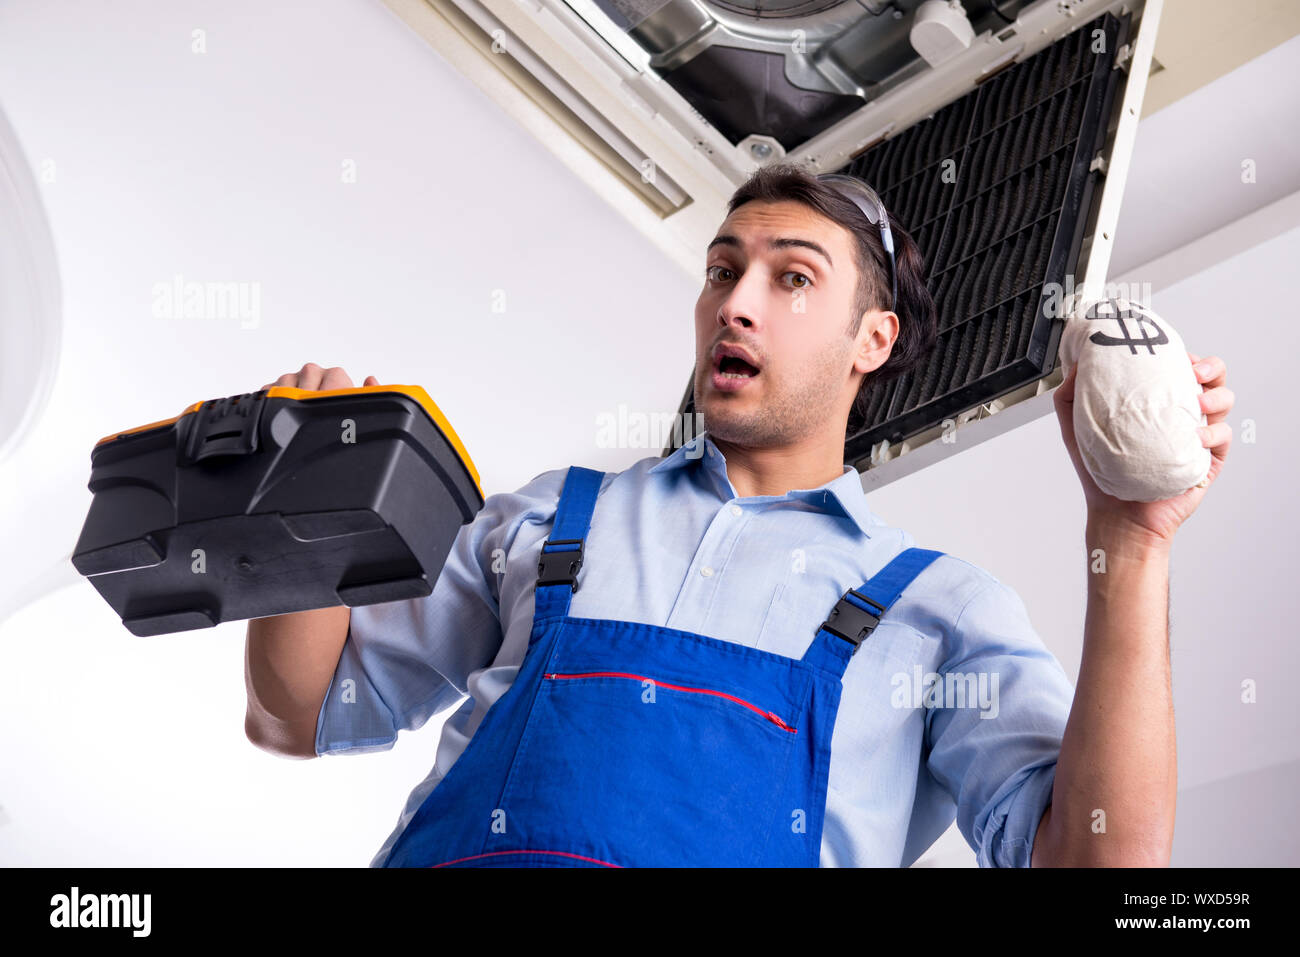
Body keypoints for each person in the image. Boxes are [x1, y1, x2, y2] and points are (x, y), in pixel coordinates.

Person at [244, 162, 1234, 867]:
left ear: (871, 340)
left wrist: (1129, 544)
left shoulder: (940, 611)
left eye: (791, 277)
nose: (736, 304)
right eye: (723, 270)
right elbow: (296, 715)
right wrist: (311, 516)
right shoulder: (548, 518)